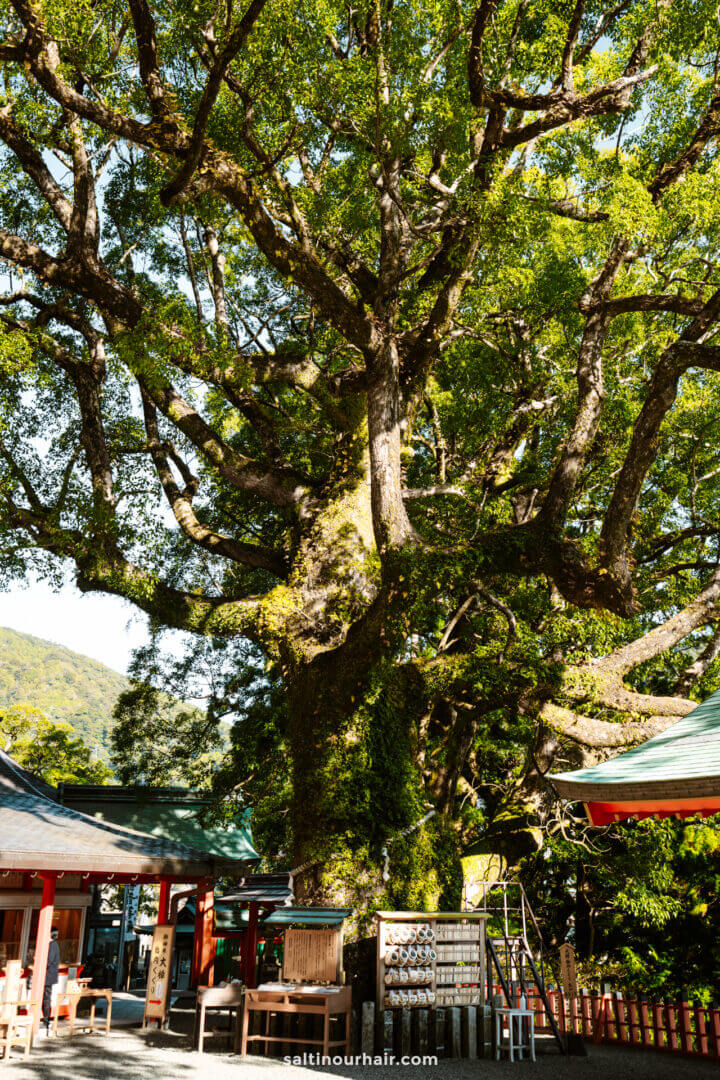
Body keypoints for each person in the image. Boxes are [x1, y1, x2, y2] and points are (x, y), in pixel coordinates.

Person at [41, 929, 60, 1031]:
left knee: (46, 998)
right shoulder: (54, 944)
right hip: (49, 975)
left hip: (48, 975)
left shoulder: (52, 945)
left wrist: (40, 964)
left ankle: (46, 1020)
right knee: (46, 997)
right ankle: (45, 1019)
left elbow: (49, 960)